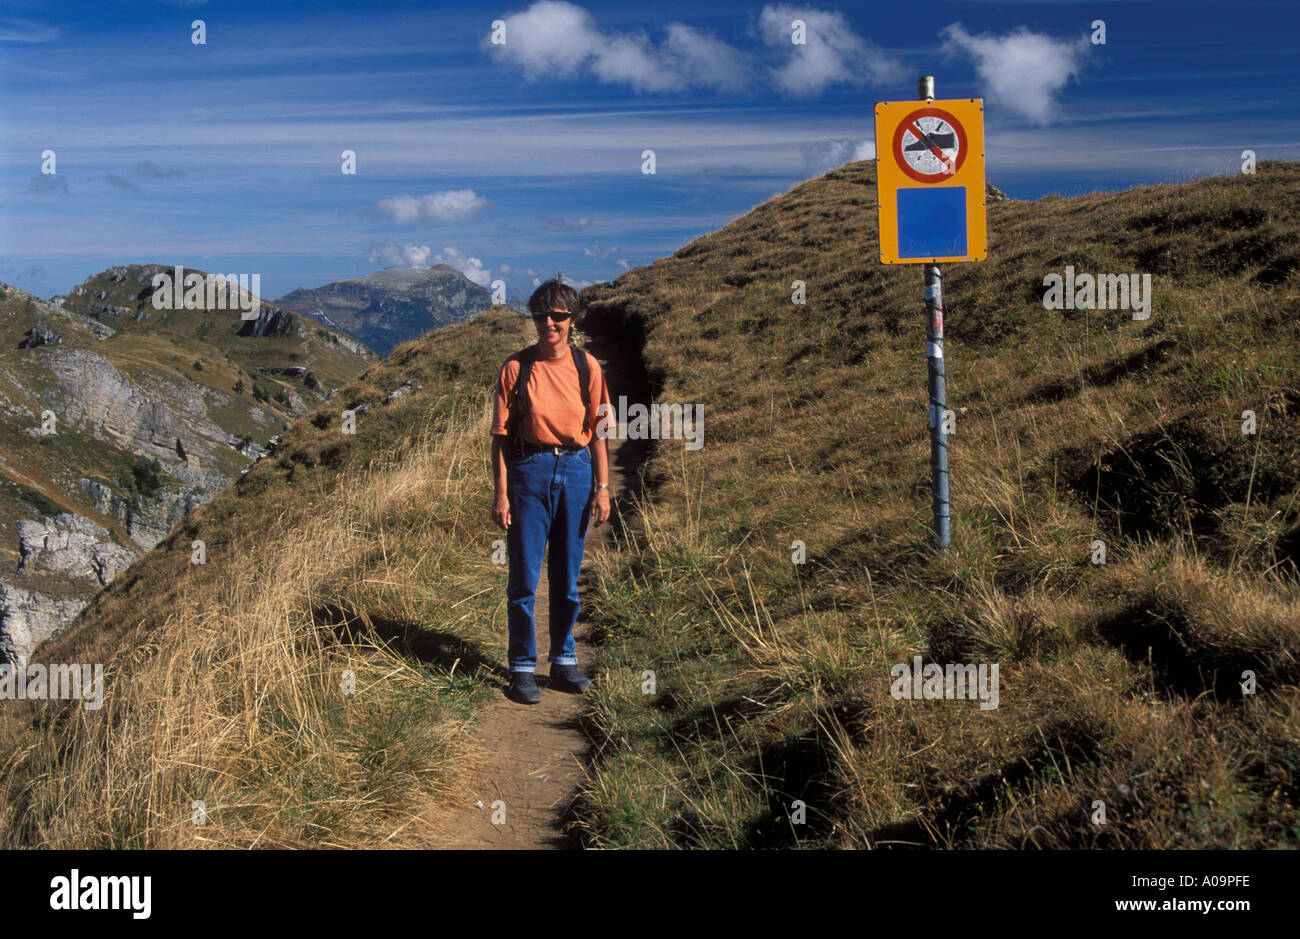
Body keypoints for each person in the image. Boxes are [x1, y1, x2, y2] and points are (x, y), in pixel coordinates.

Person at [490, 279, 612, 704]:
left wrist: (603, 487)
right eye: (541, 315)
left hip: (577, 470)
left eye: (558, 316)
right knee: (523, 577)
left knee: (567, 577)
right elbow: (501, 439)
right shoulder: (515, 368)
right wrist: (501, 493)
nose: (549, 323)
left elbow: (598, 432)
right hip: (528, 470)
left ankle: (564, 662)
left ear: (571, 321)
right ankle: (522, 667)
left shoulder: (587, 367)